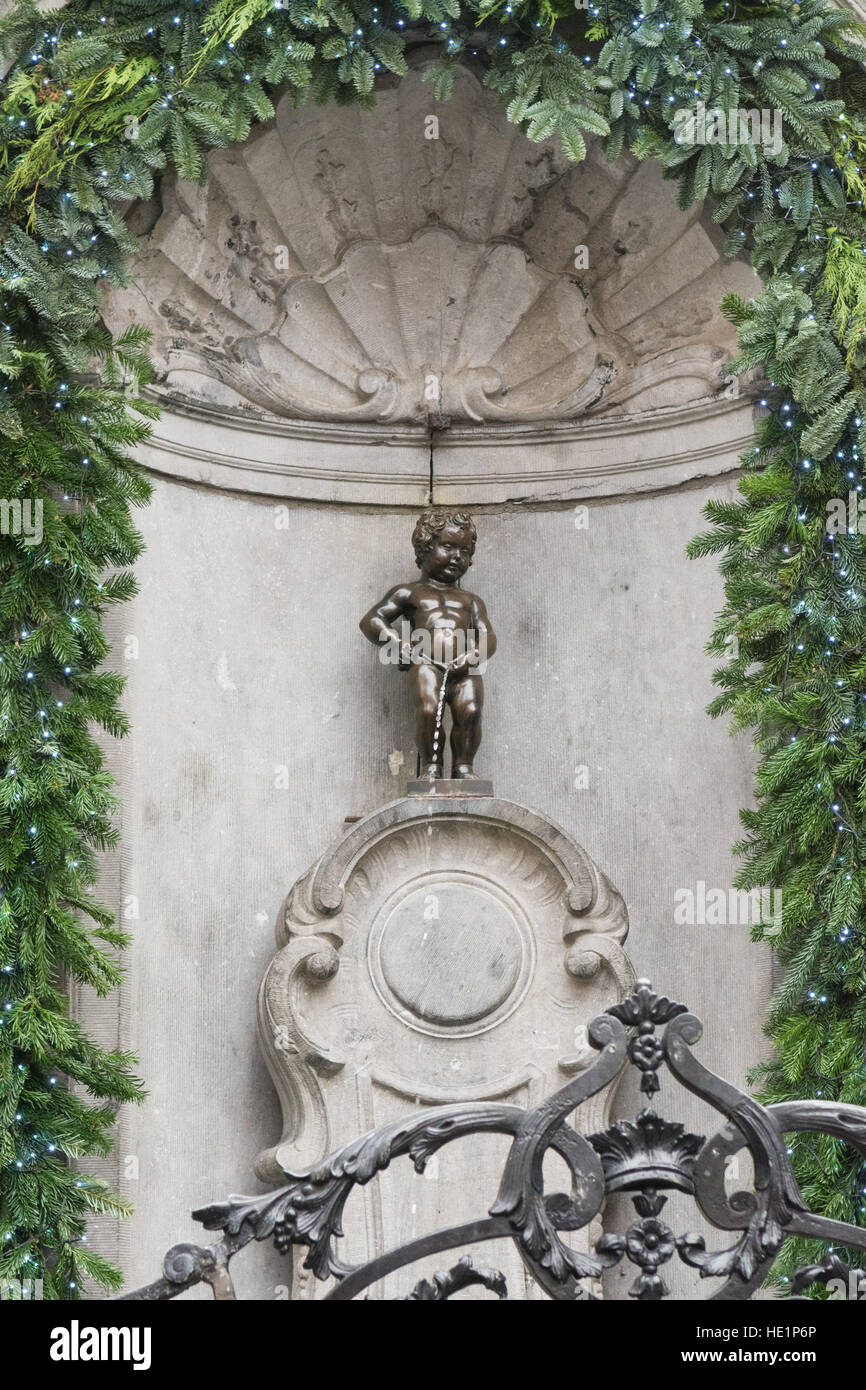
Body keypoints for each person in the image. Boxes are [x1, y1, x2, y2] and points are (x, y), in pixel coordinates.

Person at [359, 509, 496, 779]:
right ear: (425, 547)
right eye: (448, 546)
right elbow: (372, 619)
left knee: (470, 710)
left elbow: (487, 635)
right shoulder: (409, 592)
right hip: (426, 664)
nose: (457, 556)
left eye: (465, 551)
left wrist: (473, 655)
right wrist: (397, 642)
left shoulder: (471, 600)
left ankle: (463, 767)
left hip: (465, 667)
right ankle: (432, 766)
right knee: (428, 708)